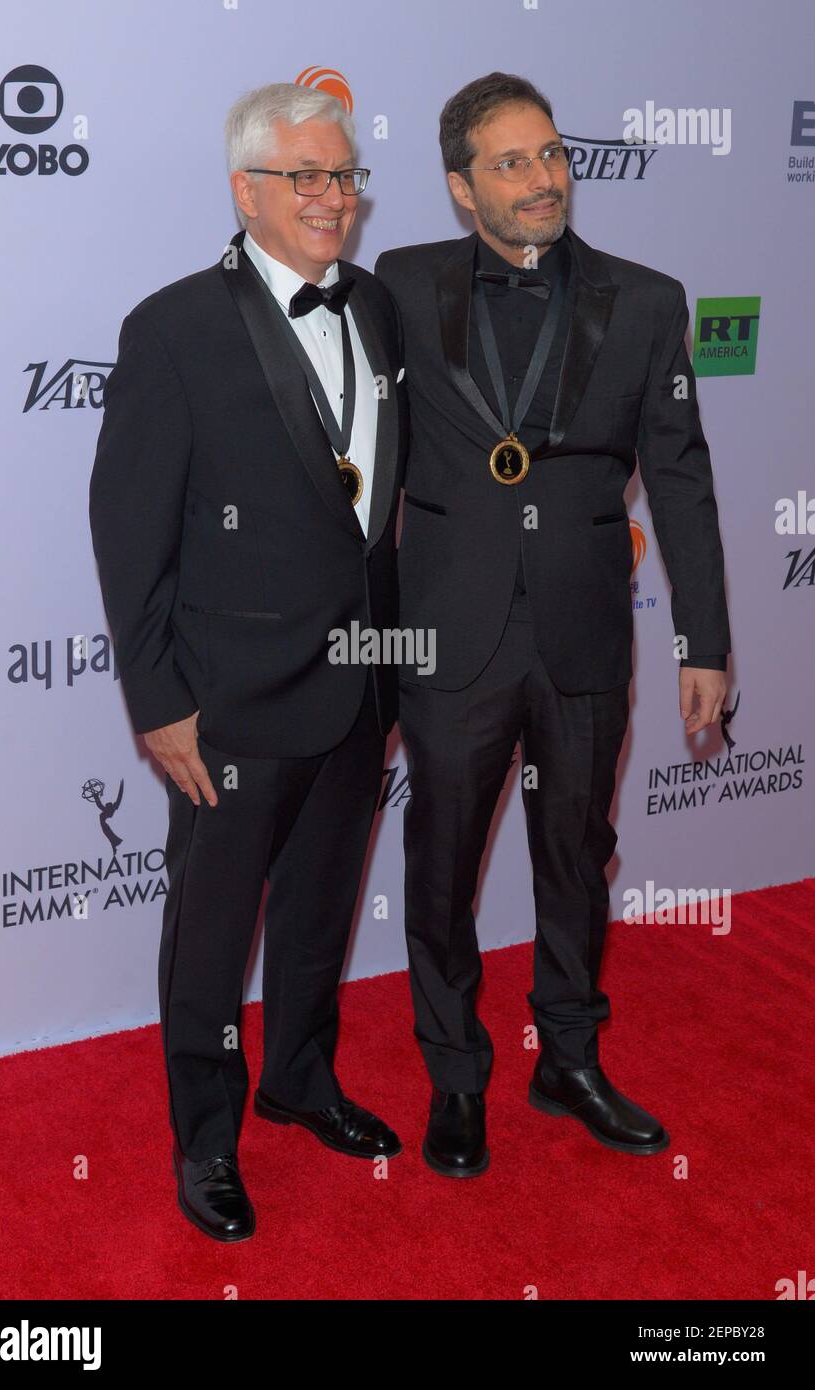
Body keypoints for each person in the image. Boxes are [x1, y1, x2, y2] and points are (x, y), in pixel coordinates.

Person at [375, 72, 730, 1177]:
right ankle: (456, 1076)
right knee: (439, 866)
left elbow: (679, 479)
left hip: (583, 629)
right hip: (447, 631)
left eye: (550, 156)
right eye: (512, 163)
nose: (542, 179)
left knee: (577, 855)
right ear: (458, 187)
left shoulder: (647, 298)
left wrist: (705, 640)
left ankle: (567, 1059)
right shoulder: (398, 282)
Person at [89, 82, 407, 1240]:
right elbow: (129, 528)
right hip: (226, 700)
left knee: (322, 911)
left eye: (343, 178)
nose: (334, 199)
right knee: (214, 935)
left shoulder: (377, 309)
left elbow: (379, 509)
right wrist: (159, 698)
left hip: (360, 683)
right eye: (307, 178)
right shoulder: (172, 327)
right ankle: (206, 1139)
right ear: (247, 189)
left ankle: (301, 1079)